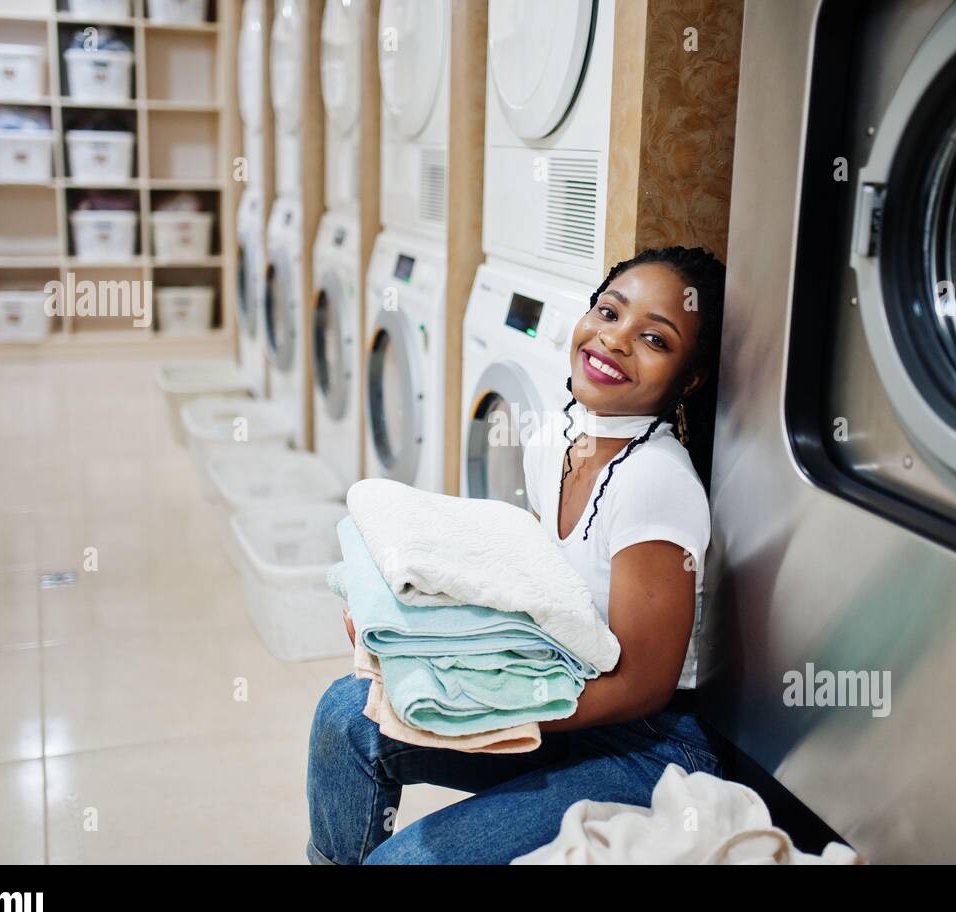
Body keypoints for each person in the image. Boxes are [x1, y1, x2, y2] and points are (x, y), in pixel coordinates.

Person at [306, 246, 727, 864]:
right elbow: (529, 582)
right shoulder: (558, 435)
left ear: (688, 379)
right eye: (608, 313)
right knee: (345, 716)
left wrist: (480, 711)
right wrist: (407, 637)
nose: (614, 341)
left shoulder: (654, 484)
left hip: (652, 749)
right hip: (570, 690)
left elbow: (644, 686)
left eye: (654, 340)